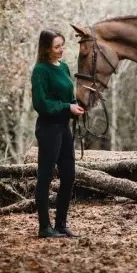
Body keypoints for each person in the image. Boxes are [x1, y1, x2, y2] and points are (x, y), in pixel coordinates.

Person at [31, 29, 84, 238]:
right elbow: (41, 103)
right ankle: (45, 227)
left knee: (69, 176)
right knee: (45, 177)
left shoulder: (63, 68)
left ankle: (61, 224)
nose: (61, 50)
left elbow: (68, 97)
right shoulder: (40, 71)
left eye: (62, 45)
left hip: (64, 128)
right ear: (46, 48)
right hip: (48, 129)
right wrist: (66, 108)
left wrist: (75, 106)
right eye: (57, 46)